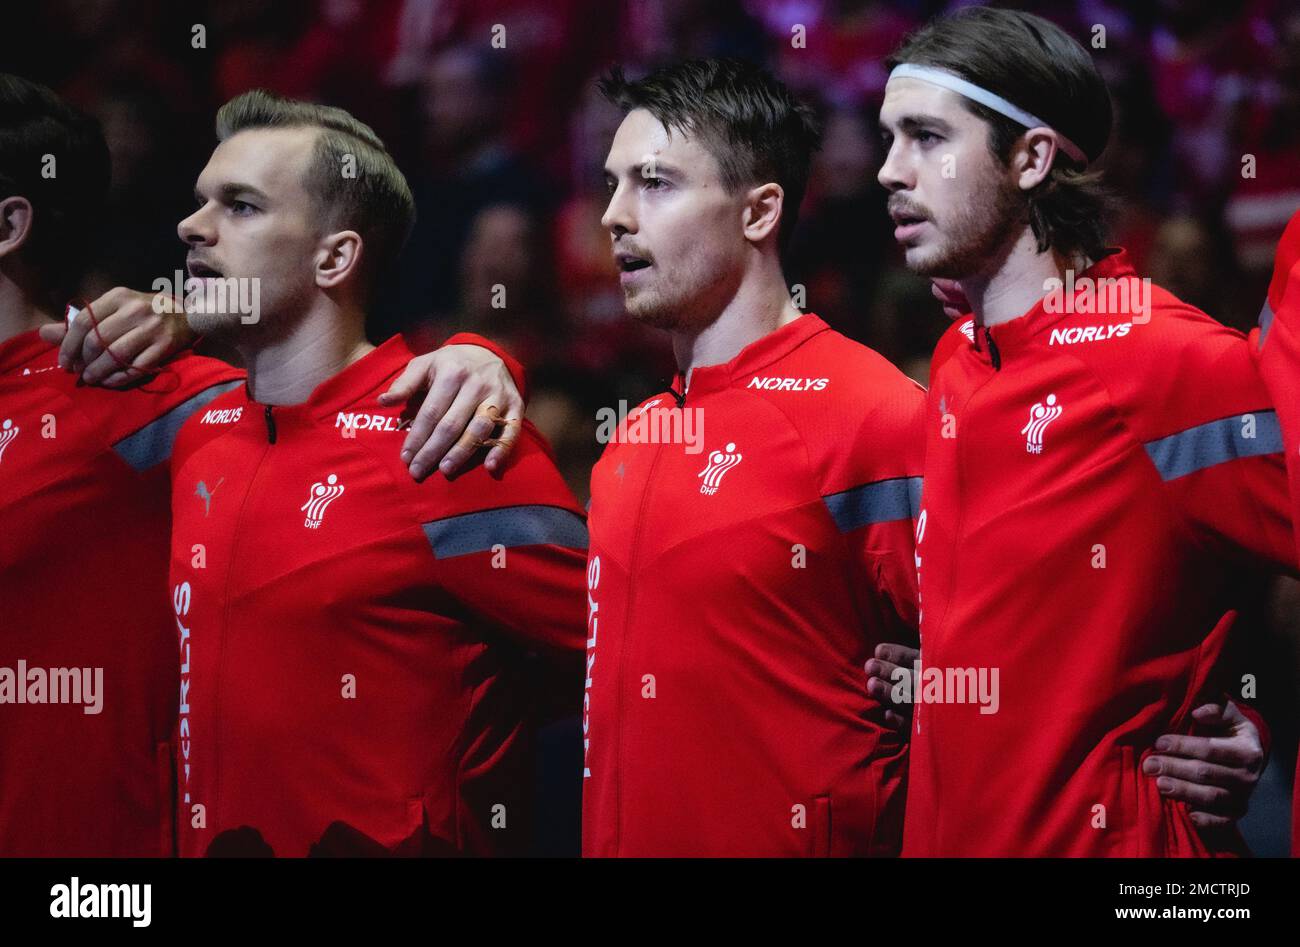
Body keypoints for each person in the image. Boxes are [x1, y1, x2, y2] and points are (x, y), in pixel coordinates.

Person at [868, 7, 1290, 856]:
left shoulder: (1161, 358)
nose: (888, 170)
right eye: (887, 138)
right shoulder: (957, 360)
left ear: (1030, 157)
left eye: (924, 136)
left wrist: (1252, 709)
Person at [166, 90, 588, 856]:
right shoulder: (202, 432)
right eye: (201, 203)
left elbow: (627, 648)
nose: (192, 227)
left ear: (335, 256)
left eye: (242, 206)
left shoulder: (443, 432)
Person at [579, 58, 925, 856]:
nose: (616, 216)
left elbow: (1015, 669)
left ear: (760, 210)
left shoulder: (870, 413)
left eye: (655, 183)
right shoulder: (630, 443)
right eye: (612, 184)